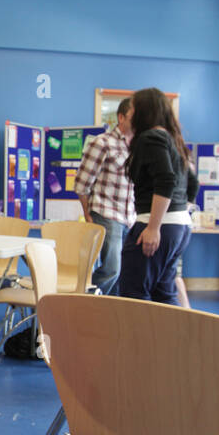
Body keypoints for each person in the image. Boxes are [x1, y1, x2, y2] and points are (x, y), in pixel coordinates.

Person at [118, 87, 193, 305]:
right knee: (164, 293)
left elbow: (166, 180)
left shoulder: (150, 138)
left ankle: (140, 340)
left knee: (134, 295)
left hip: (158, 225)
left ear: (144, 111)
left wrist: (153, 227)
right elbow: (192, 183)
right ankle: (173, 339)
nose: (129, 113)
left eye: (132, 108)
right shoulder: (172, 139)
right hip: (179, 226)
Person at [74, 97, 134, 295]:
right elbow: (82, 183)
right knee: (111, 269)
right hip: (107, 214)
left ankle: (107, 316)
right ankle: (82, 302)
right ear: (121, 117)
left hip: (129, 219)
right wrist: (88, 213)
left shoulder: (137, 148)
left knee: (124, 272)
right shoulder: (103, 143)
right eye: (134, 116)